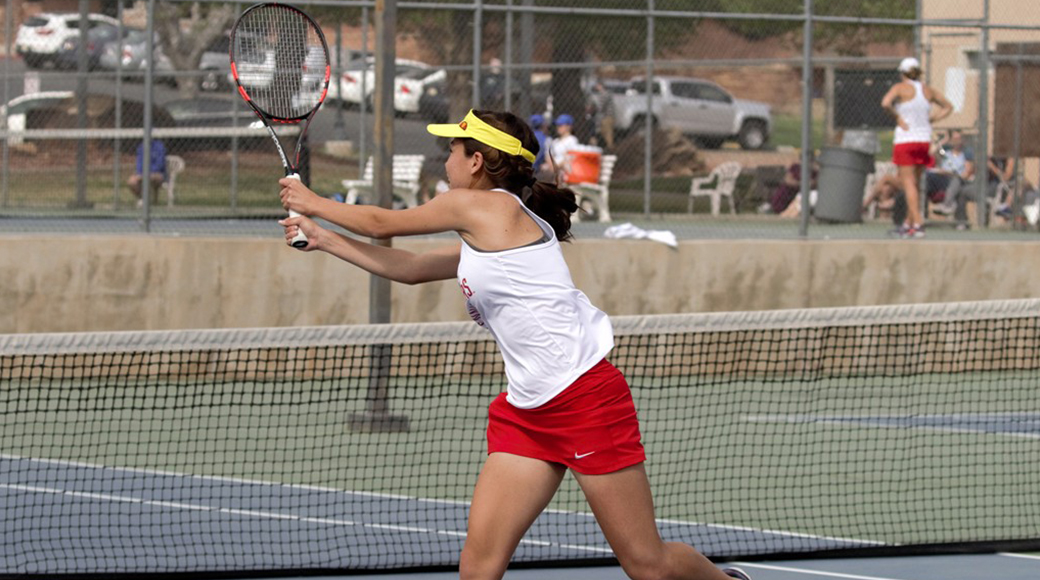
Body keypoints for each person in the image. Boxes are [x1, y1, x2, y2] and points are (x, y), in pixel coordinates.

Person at [275, 109, 753, 580]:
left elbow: (382, 223)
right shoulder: (489, 225)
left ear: (477, 161)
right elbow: (412, 268)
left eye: (453, 151)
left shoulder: (485, 207)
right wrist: (324, 238)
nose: (446, 162)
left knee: (648, 566)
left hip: (585, 399)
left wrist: (311, 200)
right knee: (479, 568)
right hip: (526, 412)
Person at [881, 56, 953, 239]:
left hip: (906, 140)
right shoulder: (927, 90)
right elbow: (948, 106)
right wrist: (933, 119)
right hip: (923, 141)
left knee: (908, 184)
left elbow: (885, 103)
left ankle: (918, 223)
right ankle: (908, 223)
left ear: (903, 73)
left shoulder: (900, 88)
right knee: (914, 184)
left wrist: (897, 117)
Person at [928, 130, 976, 226]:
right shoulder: (945, 152)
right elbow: (931, 152)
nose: (957, 142)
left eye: (959, 139)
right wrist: (944, 140)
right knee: (927, 176)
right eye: (954, 139)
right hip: (942, 179)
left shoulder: (966, 153)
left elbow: (966, 174)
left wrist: (950, 173)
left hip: (956, 180)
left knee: (956, 179)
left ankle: (947, 205)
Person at [128, 139, 167, 207]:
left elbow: (160, 165)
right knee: (131, 181)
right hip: (143, 174)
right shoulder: (141, 147)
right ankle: (143, 199)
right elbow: (139, 164)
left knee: (150, 177)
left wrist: (148, 172)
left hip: (158, 174)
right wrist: (140, 174)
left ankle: (145, 202)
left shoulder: (160, 146)